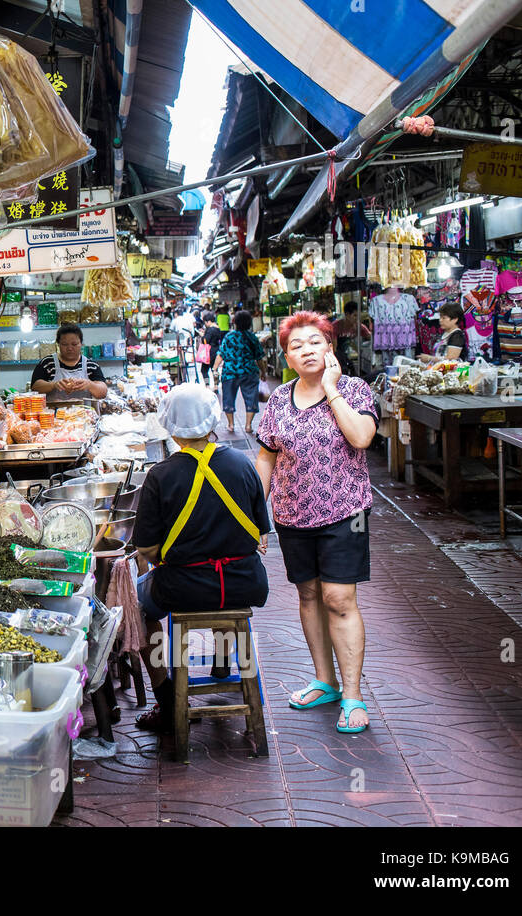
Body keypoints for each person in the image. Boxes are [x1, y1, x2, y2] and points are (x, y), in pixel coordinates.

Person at [255, 312, 378, 733]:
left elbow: (361, 437)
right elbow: (267, 455)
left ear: (330, 348)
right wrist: (257, 516)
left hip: (346, 512)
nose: (307, 350)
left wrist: (331, 391)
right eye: (296, 346)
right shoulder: (277, 400)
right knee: (309, 595)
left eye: (315, 342)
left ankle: (353, 694)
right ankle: (325, 681)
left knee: (339, 599)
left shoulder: (355, 389)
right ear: (286, 357)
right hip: (292, 514)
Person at [130, 383, 272, 732]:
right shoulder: (242, 463)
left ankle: (167, 700)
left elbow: (146, 550)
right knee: (218, 582)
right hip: (244, 584)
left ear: (170, 427)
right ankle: (223, 658)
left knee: (137, 607)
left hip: (184, 587)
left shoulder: (159, 475)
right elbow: (261, 535)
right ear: (211, 421)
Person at [211, 310, 267, 432]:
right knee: (251, 398)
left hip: (230, 372)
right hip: (249, 372)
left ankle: (231, 425)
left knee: (228, 398)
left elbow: (220, 354)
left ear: (234, 322)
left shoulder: (229, 337)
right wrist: (263, 372)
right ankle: (248, 426)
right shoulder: (252, 337)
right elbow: (259, 357)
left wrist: (214, 368)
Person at [29, 323, 109, 400]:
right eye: (64, 344)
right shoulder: (47, 363)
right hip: (54, 412)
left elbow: (103, 392)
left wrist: (90, 385)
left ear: (81, 344)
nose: (69, 348)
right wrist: (53, 385)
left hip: (84, 412)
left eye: (74, 344)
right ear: (58, 344)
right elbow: (35, 388)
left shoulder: (91, 366)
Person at [197, 310, 224, 386]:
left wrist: (202, 336)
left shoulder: (210, 330)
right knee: (214, 369)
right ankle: (216, 386)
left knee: (204, 370)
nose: (205, 324)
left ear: (208, 321)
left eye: (205, 322)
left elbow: (206, 341)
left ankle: (207, 385)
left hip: (209, 352)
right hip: (216, 350)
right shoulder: (218, 328)